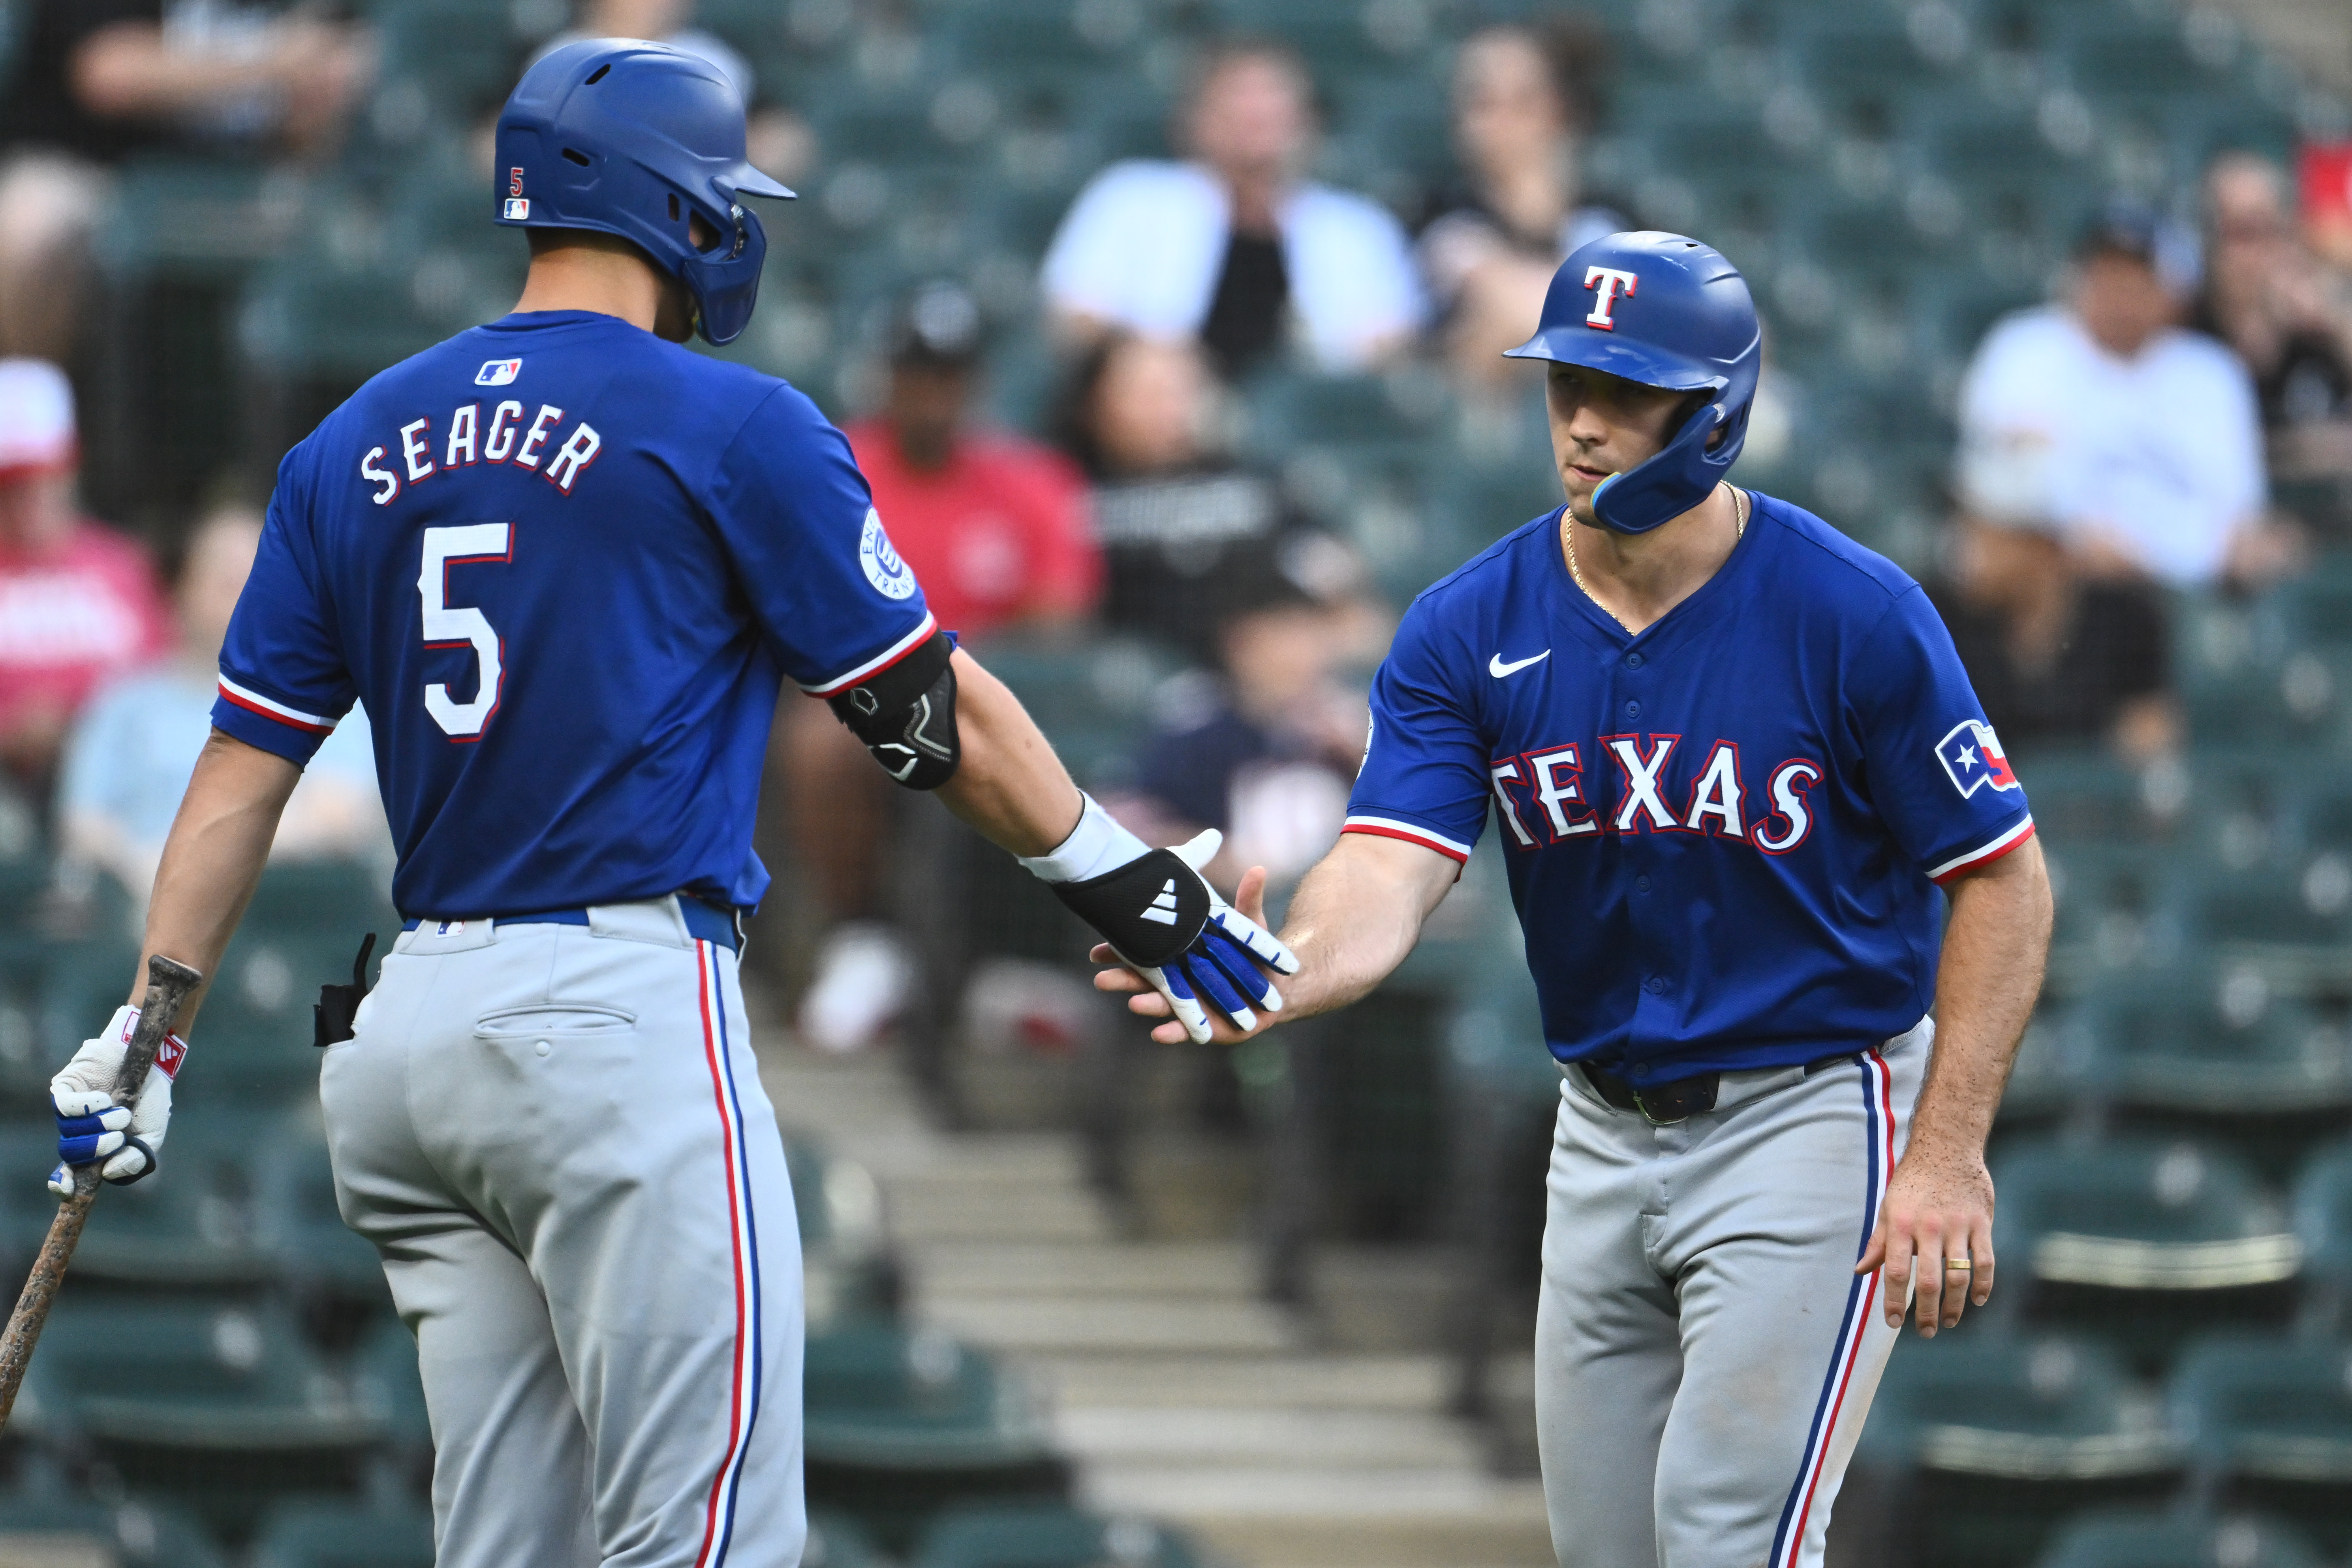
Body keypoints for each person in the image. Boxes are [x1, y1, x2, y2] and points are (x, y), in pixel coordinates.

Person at [42, 43, 1294, 1568]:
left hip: (406, 1049)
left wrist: (153, 1026)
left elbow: (242, 772)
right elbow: (923, 716)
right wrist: (1126, 883)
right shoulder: (731, 420)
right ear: (671, 201)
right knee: (701, 1544)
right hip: (609, 1015)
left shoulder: (347, 443)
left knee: (507, 1549)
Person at [1094, 232, 2053, 1567]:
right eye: (1563, 384)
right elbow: (1388, 859)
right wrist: (1285, 967)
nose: (1584, 422)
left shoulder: (1849, 612)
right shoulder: (1465, 622)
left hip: (1807, 1117)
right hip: (1598, 1130)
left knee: (1726, 1535)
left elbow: (2004, 879)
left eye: (1625, 390)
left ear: (1712, 410)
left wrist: (1944, 1154)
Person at [790, 278, 1101, 1053]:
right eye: (918, 372)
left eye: (949, 375)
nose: (932, 393)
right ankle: (862, 938)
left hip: (982, 696)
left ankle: (1007, 964)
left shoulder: (1028, 479)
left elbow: (1060, 622)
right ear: (890, 377)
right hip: (854, 697)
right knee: (819, 739)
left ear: (974, 383)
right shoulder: (835, 462)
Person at [0, 0, 372, 361]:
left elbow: (332, 85)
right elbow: (109, 73)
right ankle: (32, 410)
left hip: (255, 184)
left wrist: (316, 97)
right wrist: (274, 63)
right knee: (30, 222)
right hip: (101, 173)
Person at [57, 503, 387, 907]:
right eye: (226, 578)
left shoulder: (331, 696)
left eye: (260, 575)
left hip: (282, 909)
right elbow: (83, 824)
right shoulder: (123, 702)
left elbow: (338, 818)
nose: (246, 591)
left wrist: (191, 865)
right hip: (136, 913)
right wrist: (141, 871)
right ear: (182, 588)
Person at [1039, 38, 1424, 378]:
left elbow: (1391, 347)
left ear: (1306, 119)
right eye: (1239, 95)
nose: (1256, 112)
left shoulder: (1358, 228)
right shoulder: (1130, 198)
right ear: (1196, 118)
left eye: (1273, 96)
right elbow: (1077, 318)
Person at [1956, 201, 2284, 588]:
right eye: (2107, 272)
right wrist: (2075, 540)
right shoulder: (2027, 349)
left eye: (2136, 275)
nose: (2121, 290)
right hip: (2065, 577)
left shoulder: (2211, 373)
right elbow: (2000, 483)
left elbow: (2240, 512)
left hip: (2187, 590)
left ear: (2172, 292)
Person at [1416, 22, 1629, 395]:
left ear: (1557, 107)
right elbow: (1517, 305)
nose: (1504, 122)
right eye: (1484, 103)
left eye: (1522, 101)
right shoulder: (1444, 217)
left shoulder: (1606, 217)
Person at [0, 358, 171, 794]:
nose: (28, 499)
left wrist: (81, 720)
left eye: (41, 476)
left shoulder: (122, 565)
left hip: (118, 785)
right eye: (11, 483)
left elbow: (165, 687)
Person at [1923, 508, 2177, 763]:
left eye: (1992, 535)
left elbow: (2151, 735)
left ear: (2044, 546)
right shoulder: (1940, 618)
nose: (1970, 552)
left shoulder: (2126, 618)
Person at [2193, 152, 2352, 483]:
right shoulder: (2187, 329)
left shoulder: (2317, 333)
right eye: (2245, 233)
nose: (2263, 252)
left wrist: (2337, 325)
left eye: (2274, 231)